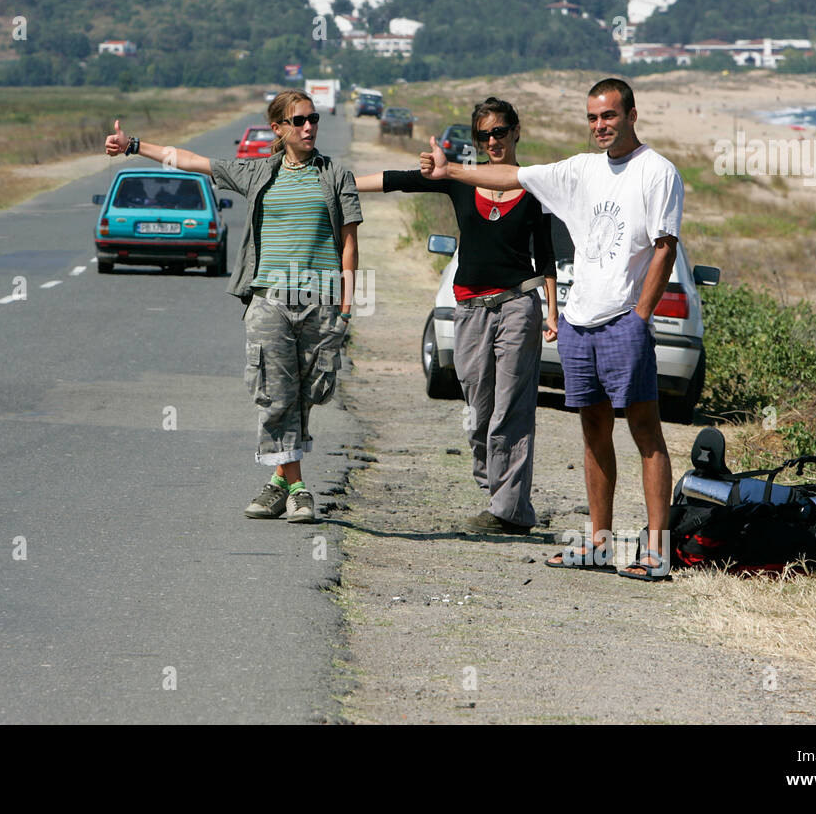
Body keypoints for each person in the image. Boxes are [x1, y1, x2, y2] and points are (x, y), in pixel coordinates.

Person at [421, 78, 682, 581]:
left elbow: (664, 248)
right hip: (580, 323)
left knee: (646, 432)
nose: (600, 126)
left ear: (631, 114)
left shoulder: (657, 171)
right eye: (592, 118)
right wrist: (450, 169)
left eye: (609, 115)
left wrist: (642, 317)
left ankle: (656, 550)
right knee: (593, 434)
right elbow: (515, 174)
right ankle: (601, 545)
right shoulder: (580, 169)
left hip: (624, 322)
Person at [104, 90, 362, 523]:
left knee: (309, 394)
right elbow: (190, 160)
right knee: (275, 394)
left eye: (312, 119)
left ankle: (278, 484)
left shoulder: (336, 175)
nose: (309, 127)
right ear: (278, 128)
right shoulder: (258, 172)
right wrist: (134, 146)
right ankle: (299, 490)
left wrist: (347, 306)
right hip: (269, 299)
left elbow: (350, 242)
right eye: (298, 121)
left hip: (319, 301)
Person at [353, 97, 558, 535]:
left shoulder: (534, 185)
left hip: (518, 304)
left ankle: (511, 509)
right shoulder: (460, 180)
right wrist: (342, 184)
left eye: (500, 132)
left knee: (512, 407)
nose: (492, 141)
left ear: (516, 132)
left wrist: (553, 312)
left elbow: (547, 257)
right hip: (469, 309)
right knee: (479, 404)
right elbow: (400, 181)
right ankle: (496, 487)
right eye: (483, 135)